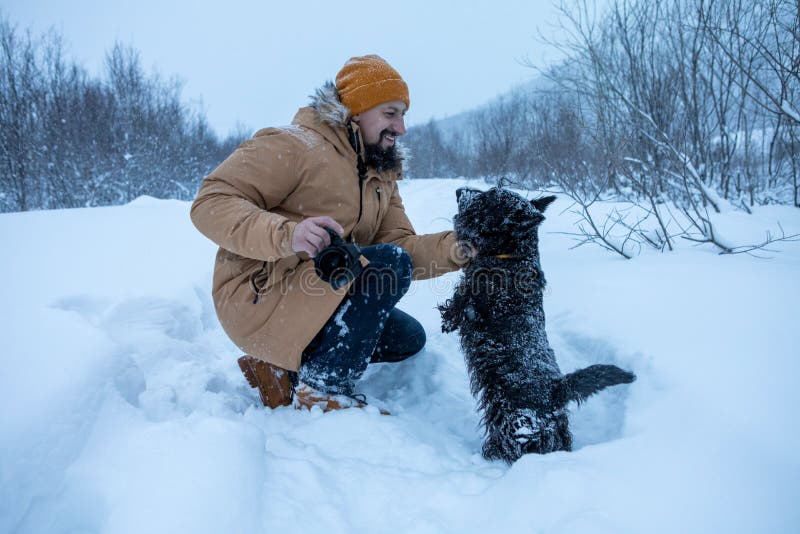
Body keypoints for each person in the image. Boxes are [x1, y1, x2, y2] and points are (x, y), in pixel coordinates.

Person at [190, 55, 467, 412]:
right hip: (259, 296)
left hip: (316, 289)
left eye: (403, 115)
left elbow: (401, 248)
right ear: (356, 110)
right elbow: (211, 201)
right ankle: (323, 388)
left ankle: (279, 368)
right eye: (390, 113)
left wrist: (464, 246)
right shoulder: (293, 146)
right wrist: (288, 234)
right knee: (388, 265)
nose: (401, 128)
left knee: (408, 338)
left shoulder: (379, 174)